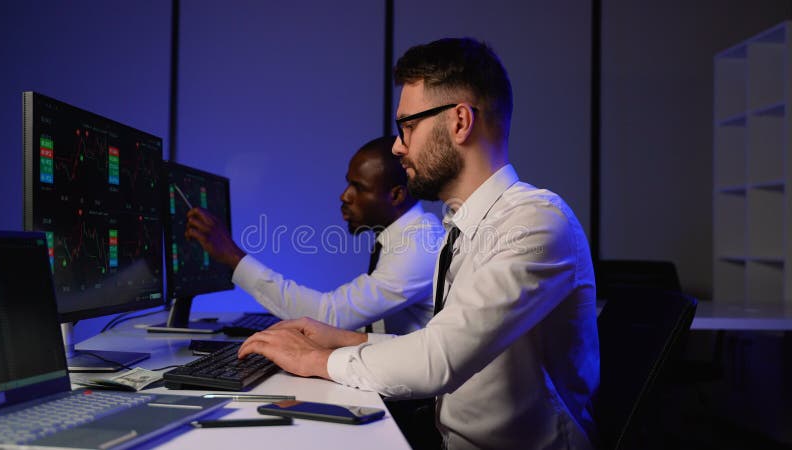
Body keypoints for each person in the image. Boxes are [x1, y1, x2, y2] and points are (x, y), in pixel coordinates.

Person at [237, 38, 600, 450]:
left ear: (460, 122)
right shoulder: (465, 225)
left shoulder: (535, 222)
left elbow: (438, 358)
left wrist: (313, 360)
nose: (397, 145)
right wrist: (343, 339)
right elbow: (448, 341)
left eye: (408, 126)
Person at [185, 136, 443, 335]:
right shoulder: (404, 237)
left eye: (358, 187)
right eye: (348, 183)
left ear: (396, 195)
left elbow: (329, 314)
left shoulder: (418, 246)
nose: (345, 196)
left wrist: (232, 256)